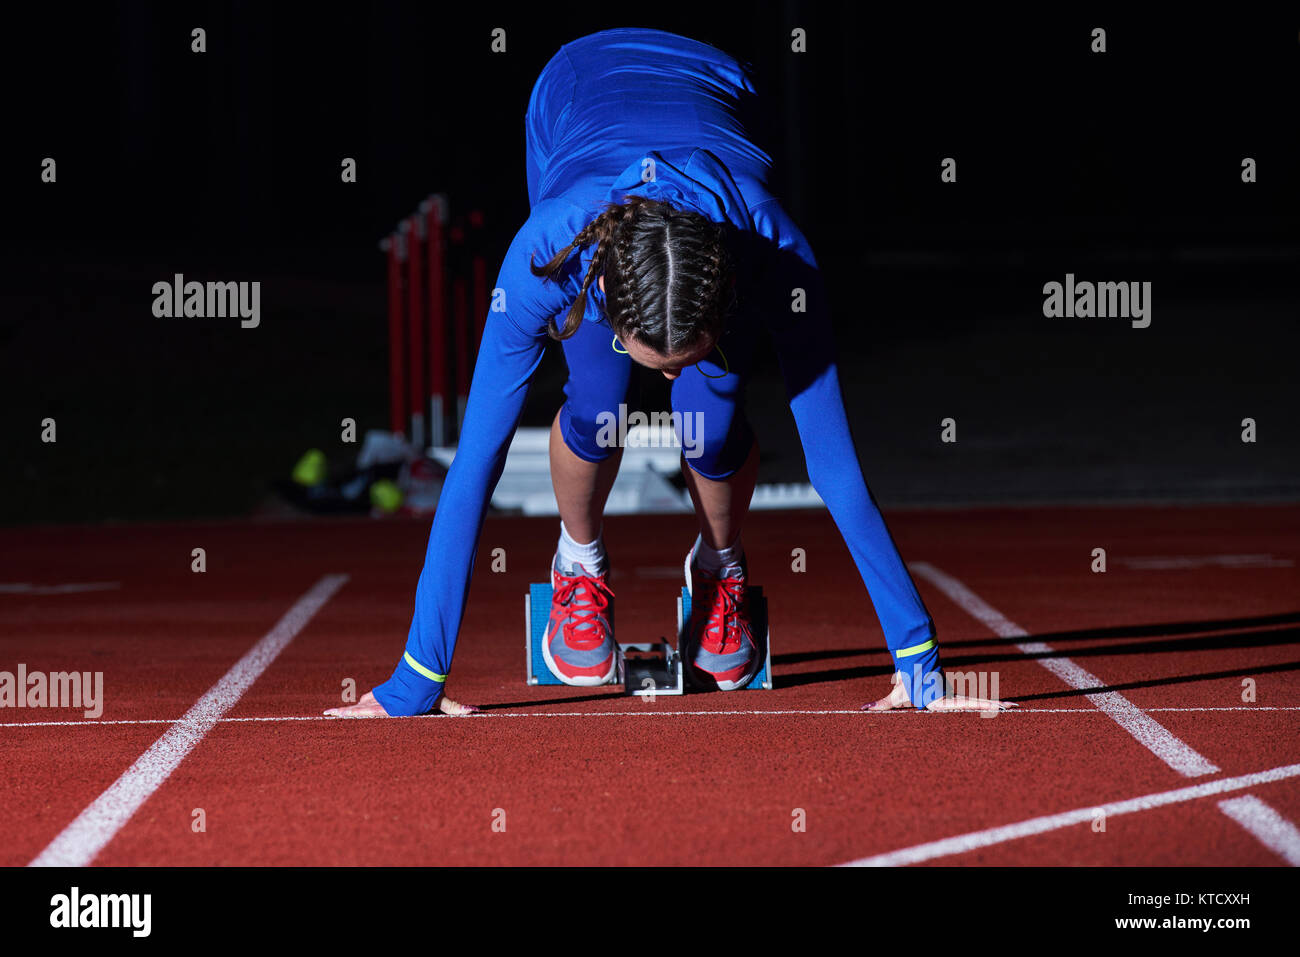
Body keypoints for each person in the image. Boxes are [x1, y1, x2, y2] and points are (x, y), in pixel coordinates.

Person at [327, 27, 1012, 718]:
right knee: (599, 405)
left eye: (686, 354)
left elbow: (835, 468)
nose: (664, 382)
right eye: (656, 360)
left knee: (710, 424)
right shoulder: (549, 255)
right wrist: (418, 675)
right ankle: (579, 562)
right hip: (570, 92)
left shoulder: (777, 255)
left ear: (728, 303)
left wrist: (920, 661)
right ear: (609, 309)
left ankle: (721, 566)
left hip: (720, 87)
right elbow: (477, 459)